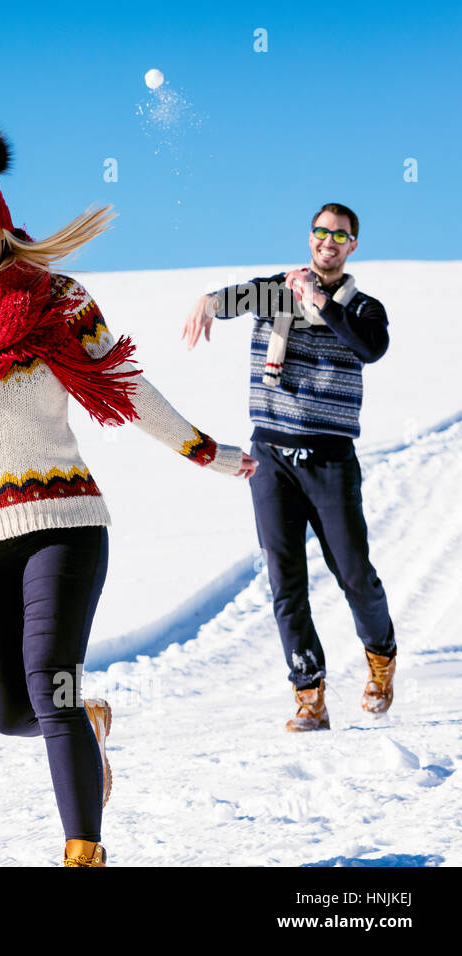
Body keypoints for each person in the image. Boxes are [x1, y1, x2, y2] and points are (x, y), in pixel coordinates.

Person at [0, 125, 256, 867]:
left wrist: (204, 450)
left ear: (2, 231)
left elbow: (123, 384)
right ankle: (90, 728)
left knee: (50, 689)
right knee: (4, 713)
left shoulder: (57, 300)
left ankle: (83, 852)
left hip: (63, 525)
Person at [181, 203, 396, 732]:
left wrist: (320, 301)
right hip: (272, 456)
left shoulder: (364, 308)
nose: (329, 241)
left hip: (329, 458)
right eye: (321, 232)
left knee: (353, 574)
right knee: (285, 581)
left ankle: (381, 655)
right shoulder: (277, 290)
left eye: (340, 235)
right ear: (310, 238)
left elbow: (372, 347)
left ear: (352, 247)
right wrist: (208, 301)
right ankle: (309, 695)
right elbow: (234, 299)